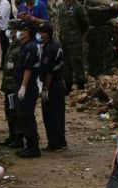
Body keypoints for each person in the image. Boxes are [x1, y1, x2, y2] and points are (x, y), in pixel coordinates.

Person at [14, 22, 42, 158]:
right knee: (22, 116)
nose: (21, 32)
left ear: (28, 32)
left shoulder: (31, 47)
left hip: (28, 87)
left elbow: (28, 69)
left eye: (23, 30)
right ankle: (29, 145)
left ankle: (33, 147)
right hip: (23, 85)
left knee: (27, 116)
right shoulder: (24, 46)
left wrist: (23, 87)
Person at [38, 23, 67, 151]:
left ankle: (55, 143)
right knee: (59, 114)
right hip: (59, 84)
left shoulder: (49, 49)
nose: (40, 35)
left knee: (51, 115)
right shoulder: (56, 46)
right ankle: (60, 141)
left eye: (43, 33)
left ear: (48, 33)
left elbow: (49, 72)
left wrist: (45, 89)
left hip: (53, 85)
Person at [0, 19, 25, 148]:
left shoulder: (21, 46)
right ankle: (12, 135)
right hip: (8, 84)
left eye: (12, 30)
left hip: (15, 84)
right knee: (9, 111)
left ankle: (19, 138)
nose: (10, 32)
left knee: (16, 112)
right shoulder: (13, 44)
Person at [56, 0, 88, 90]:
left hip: (75, 40)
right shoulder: (61, 6)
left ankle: (80, 85)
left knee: (77, 62)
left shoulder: (78, 7)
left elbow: (84, 23)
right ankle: (68, 85)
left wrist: (79, 35)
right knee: (66, 63)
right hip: (64, 40)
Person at [0, 0, 12, 69]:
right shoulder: (1, 3)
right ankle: (3, 65)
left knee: (6, 48)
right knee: (4, 48)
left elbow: (1, 16)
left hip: (5, 28)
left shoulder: (5, 3)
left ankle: (5, 65)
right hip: (2, 29)